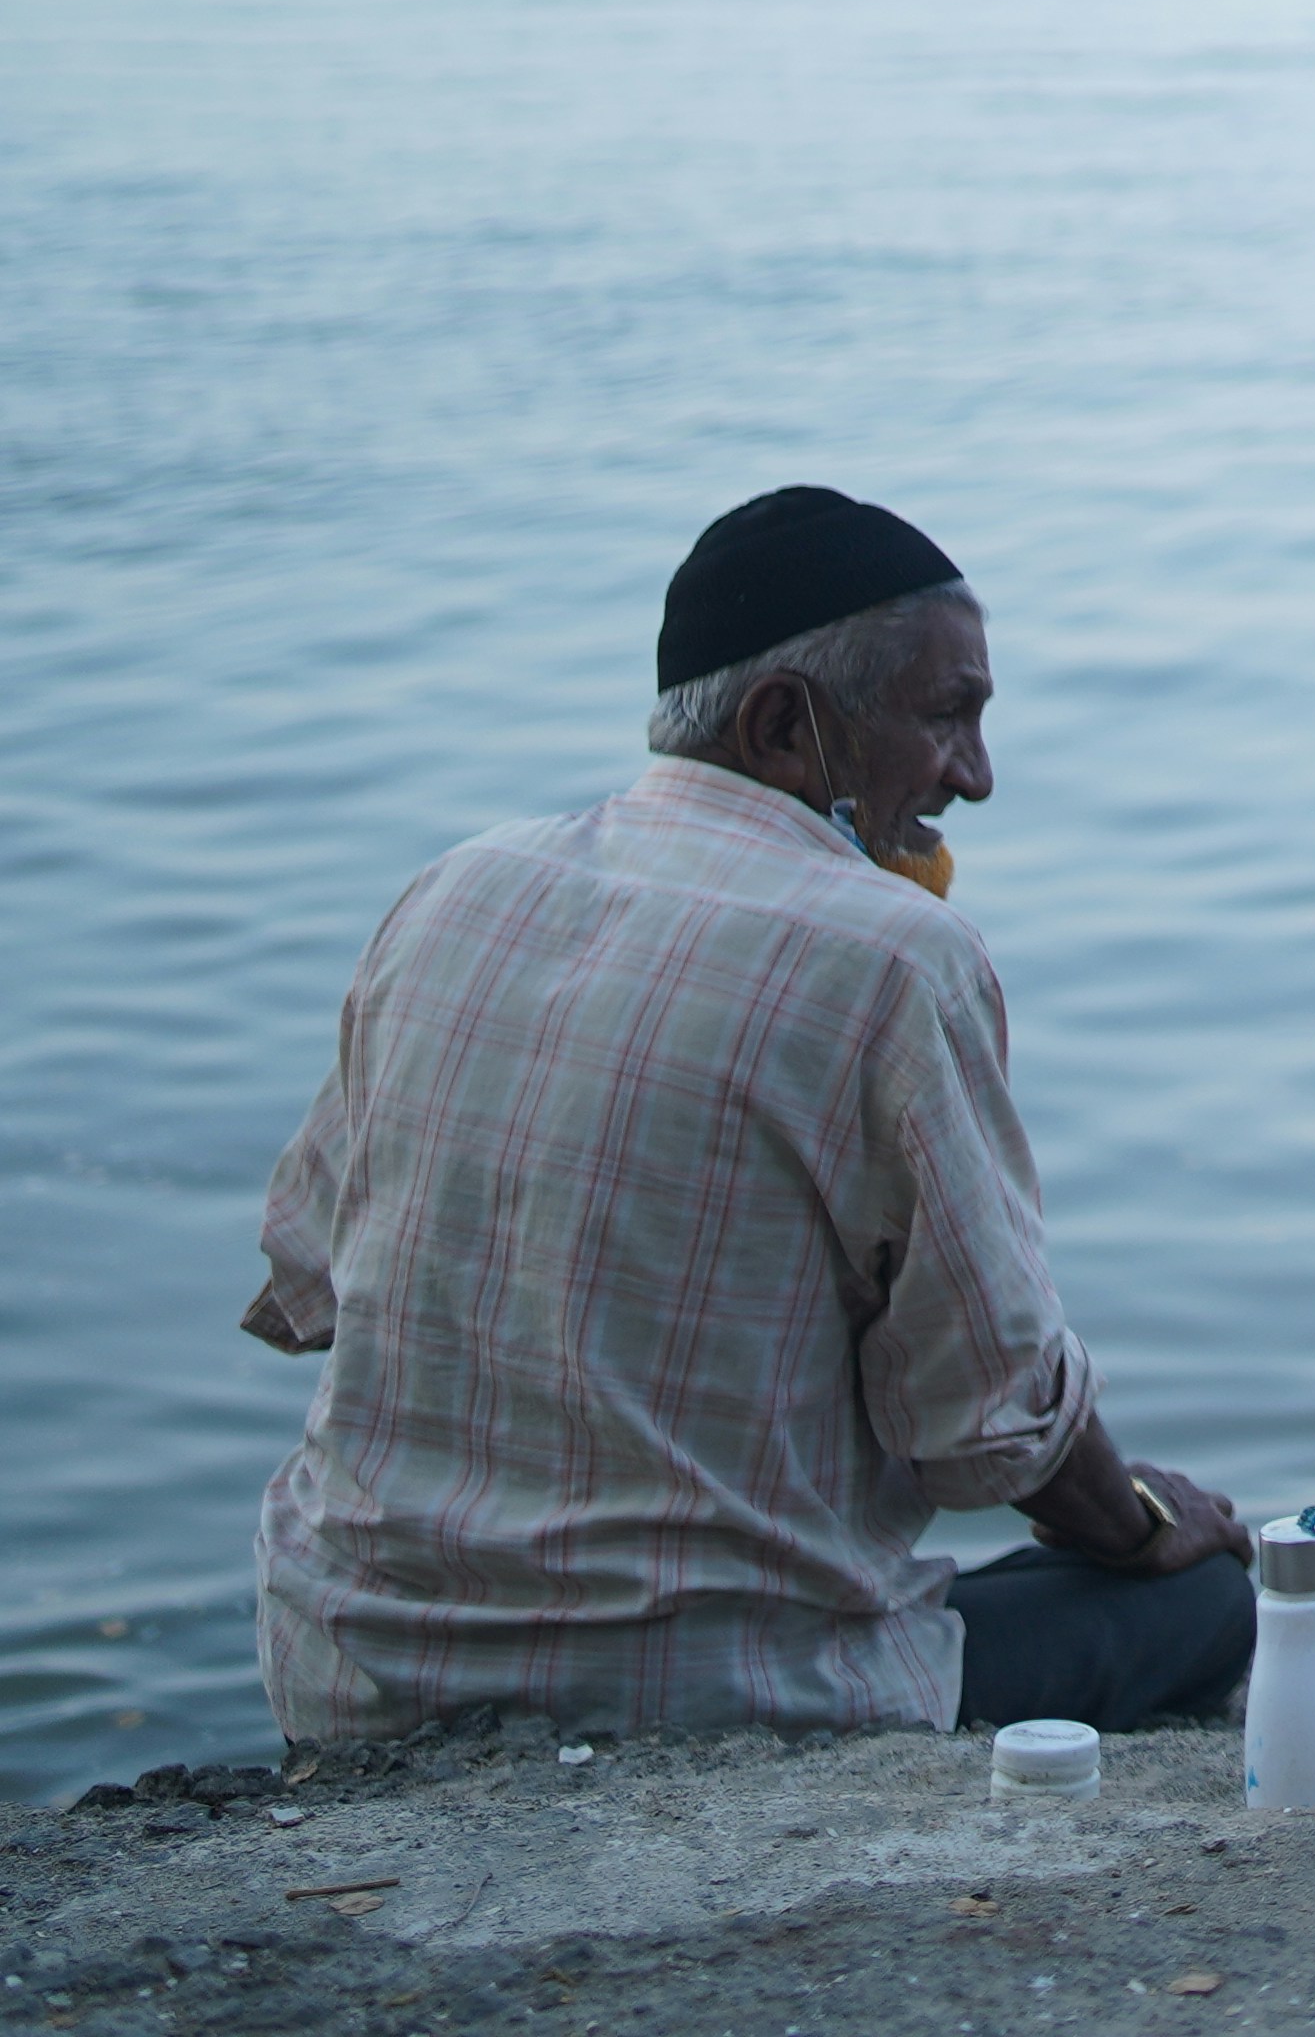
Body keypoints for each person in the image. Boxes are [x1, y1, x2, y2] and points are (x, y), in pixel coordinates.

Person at [242, 488, 1255, 1742]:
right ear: (786, 723)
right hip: (698, 1698)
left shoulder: (455, 885)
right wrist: (1148, 1523)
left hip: (356, 1669)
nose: (976, 779)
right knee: (1207, 1603)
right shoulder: (892, 956)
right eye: (948, 718)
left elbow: (308, 1275)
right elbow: (988, 1421)